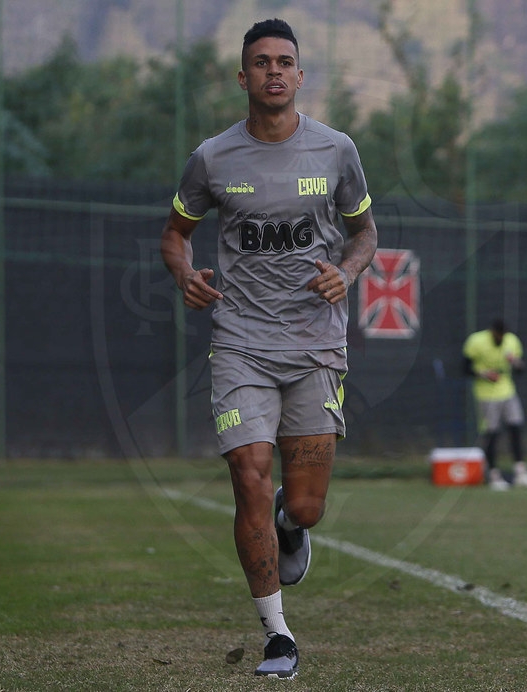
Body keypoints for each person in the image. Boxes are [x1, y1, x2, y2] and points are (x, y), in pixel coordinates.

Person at [159, 18, 378, 679]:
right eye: (261, 62)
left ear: (300, 76)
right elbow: (175, 233)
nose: (273, 71)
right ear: (243, 77)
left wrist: (348, 269)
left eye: (285, 61)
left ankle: (293, 521)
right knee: (247, 475)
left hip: (315, 345)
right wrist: (183, 273)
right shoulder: (212, 157)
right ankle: (277, 636)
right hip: (241, 345)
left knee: (306, 503)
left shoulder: (336, 150)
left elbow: (364, 233)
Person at [462, 319, 527, 490]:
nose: (501, 338)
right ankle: (493, 474)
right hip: (486, 395)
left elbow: (520, 370)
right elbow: (465, 368)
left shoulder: (512, 341)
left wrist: (516, 362)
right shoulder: (477, 341)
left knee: (516, 428)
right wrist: (484, 374)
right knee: (491, 433)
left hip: (507, 391)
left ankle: (521, 472)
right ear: (492, 332)